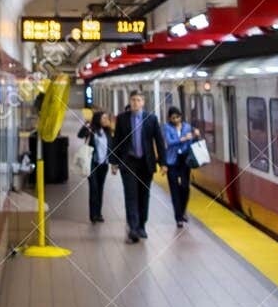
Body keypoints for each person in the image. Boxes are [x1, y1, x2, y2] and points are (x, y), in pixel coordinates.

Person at [111, 92, 161, 243]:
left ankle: (141, 226)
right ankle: (133, 227)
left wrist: (164, 163)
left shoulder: (151, 119)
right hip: (128, 162)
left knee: (144, 195)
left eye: (138, 100)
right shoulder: (122, 119)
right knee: (131, 195)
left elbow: (159, 140)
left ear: (143, 102)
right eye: (132, 100)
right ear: (129, 101)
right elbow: (116, 141)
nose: (135, 103)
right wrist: (113, 162)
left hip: (146, 164)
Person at [161, 106, 198, 228]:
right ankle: (178, 218)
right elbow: (170, 142)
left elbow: (191, 143)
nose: (176, 120)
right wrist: (182, 139)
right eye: (173, 118)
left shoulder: (187, 127)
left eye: (178, 117)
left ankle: (182, 211)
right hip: (172, 162)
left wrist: (195, 136)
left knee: (185, 187)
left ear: (181, 116)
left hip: (185, 161)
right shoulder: (166, 127)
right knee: (174, 190)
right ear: (169, 118)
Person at [76, 111, 114, 223]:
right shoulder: (92, 130)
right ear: (98, 119)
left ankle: (99, 213)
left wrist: (113, 163)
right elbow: (80, 135)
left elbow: (111, 147)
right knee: (94, 188)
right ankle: (93, 215)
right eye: (104, 118)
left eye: (107, 118)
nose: (106, 120)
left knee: (100, 189)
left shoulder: (108, 132)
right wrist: (86, 125)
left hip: (104, 164)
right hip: (92, 163)